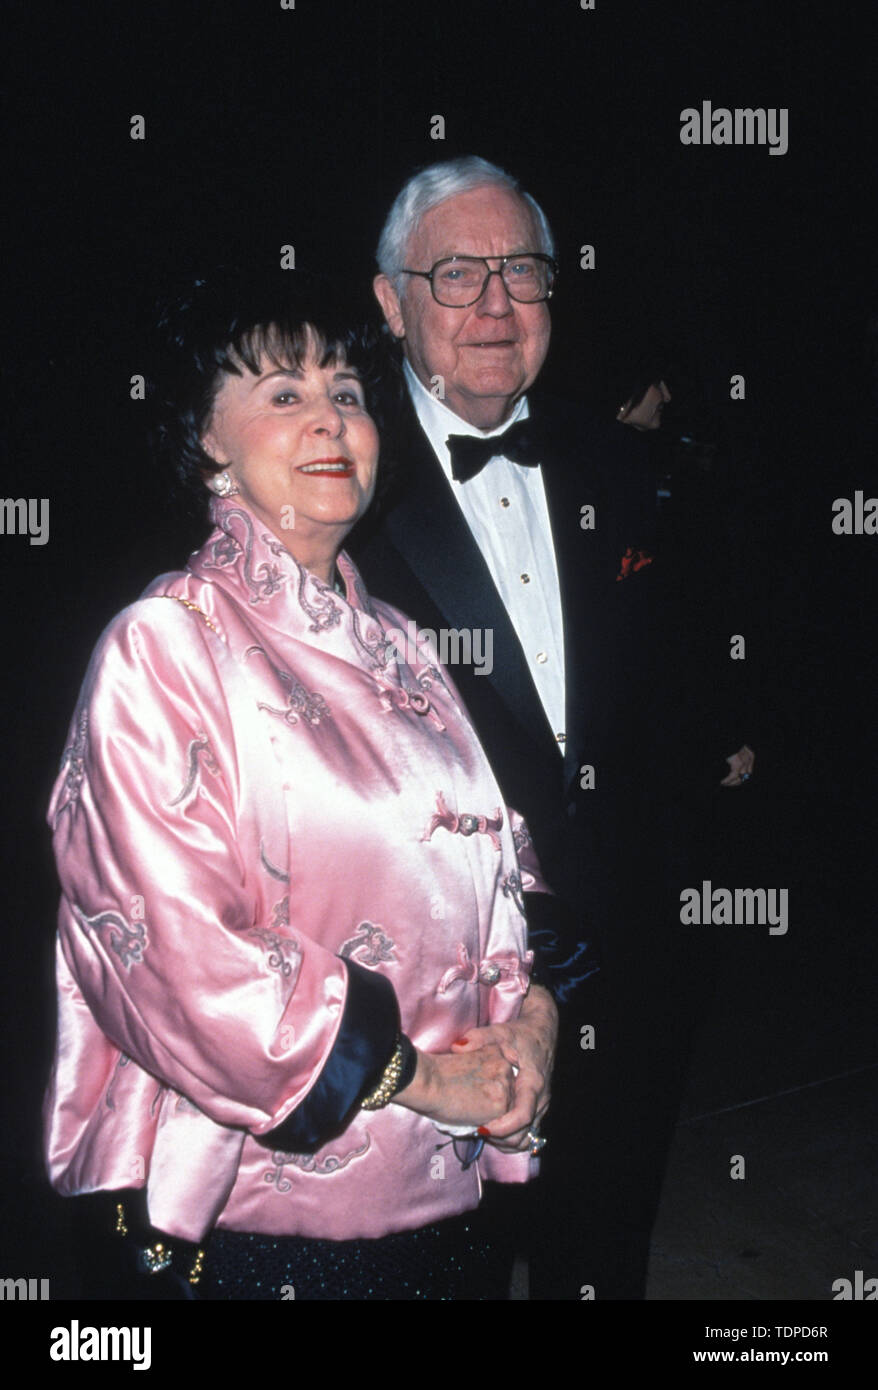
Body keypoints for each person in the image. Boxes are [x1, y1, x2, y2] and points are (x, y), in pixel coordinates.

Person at [42, 267, 560, 1301]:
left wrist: (536, 1018)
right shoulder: (166, 646)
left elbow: (508, 877)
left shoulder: (410, 649)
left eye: (348, 394)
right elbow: (171, 958)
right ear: (207, 444)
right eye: (283, 394)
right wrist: (420, 1078)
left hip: (449, 1205)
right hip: (265, 1225)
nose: (329, 419)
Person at [351, 156, 703, 1299]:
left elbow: (659, 700)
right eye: (456, 274)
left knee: (601, 1259)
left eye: (520, 270)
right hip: (436, 1015)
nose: (495, 305)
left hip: (628, 980)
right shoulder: (333, 490)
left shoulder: (618, 464)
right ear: (390, 302)